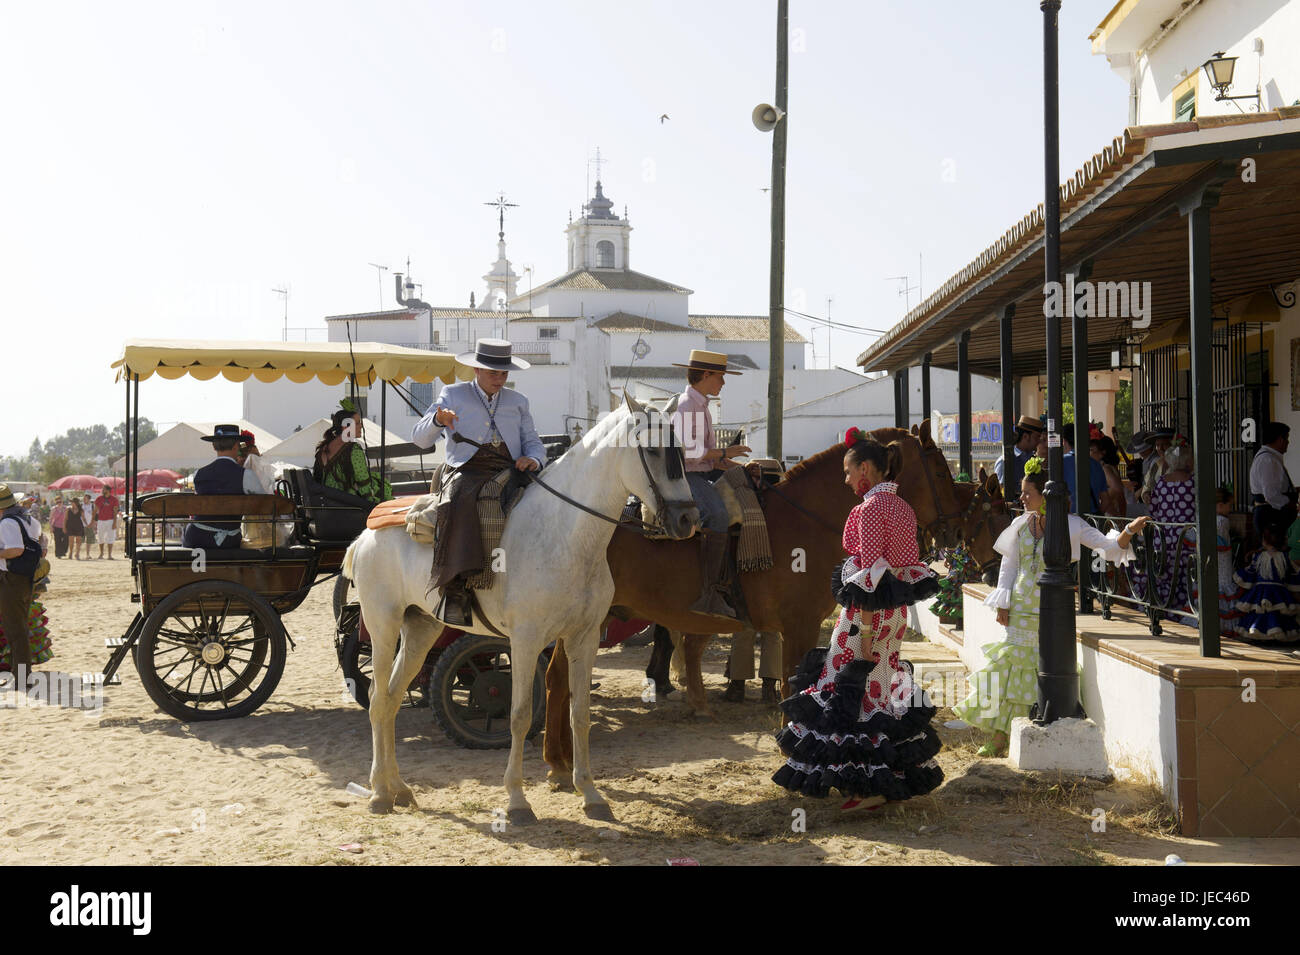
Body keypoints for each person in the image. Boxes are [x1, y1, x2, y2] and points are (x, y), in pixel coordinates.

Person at [772, 428, 942, 811]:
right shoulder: (904, 509)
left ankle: (862, 785)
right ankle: (884, 780)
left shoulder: (867, 511)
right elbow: (900, 569)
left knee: (849, 694)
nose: (846, 480)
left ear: (866, 468)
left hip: (865, 619)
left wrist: (863, 630)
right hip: (895, 616)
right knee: (881, 692)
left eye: (849, 472)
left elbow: (869, 575)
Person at [955, 457, 1146, 755]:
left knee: (1043, 667)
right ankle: (1001, 734)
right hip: (1019, 609)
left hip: (1051, 610)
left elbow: (1108, 549)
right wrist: (1003, 602)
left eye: (1026, 493)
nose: (1020, 498)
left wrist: (1130, 531)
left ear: (1044, 495)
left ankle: (1034, 723)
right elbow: (1009, 565)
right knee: (1011, 668)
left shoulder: (1072, 525)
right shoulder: (1020, 524)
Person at [412, 339, 546, 627]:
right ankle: (458, 586)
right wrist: (438, 419)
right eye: (493, 373)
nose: (499, 379)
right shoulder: (452, 394)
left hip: (510, 468)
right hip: (467, 470)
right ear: (476, 369)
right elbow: (420, 438)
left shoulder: (518, 401)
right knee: (459, 502)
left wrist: (533, 459)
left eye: (504, 374)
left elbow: (533, 442)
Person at [667, 349, 751, 620]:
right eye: (720, 377)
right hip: (685, 476)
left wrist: (744, 469)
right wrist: (726, 454)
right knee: (717, 514)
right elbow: (689, 453)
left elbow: (707, 457)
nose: (723, 383)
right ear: (706, 375)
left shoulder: (699, 405)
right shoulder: (687, 405)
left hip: (700, 472)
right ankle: (709, 594)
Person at [1129, 437, 1197, 621]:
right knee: (1184, 574)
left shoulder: (1162, 482)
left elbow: (1154, 509)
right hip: (1186, 536)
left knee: (1163, 572)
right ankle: (1182, 611)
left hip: (1164, 535)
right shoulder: (1193, 482)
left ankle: (1160, 606)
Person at [182, 424, 268, 551]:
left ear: (213, 446)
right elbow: (266, 504)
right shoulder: (246, 475)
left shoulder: (198, 474)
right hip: (227, 542)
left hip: (195, 538)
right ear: (236, 446)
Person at [0, 484, 45, 685]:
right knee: (19, 627)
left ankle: (22, 677)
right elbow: (42, 544)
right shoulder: (29, 519)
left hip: (12, 580)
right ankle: (20, 674)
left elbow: (16, 549)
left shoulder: (7, 523)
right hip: (25, 579)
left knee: (15, 629)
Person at [1232, 524, 1300, 644]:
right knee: (1277, 613)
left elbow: (1250, 572)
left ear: (1264, 540)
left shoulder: (1258, 557)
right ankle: (1276, 636)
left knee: (1260, 612)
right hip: (1279, 592)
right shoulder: (1285, 557)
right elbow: (1293, 574)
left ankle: (1259, 635)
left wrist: (1236, 574)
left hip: (1260, 592)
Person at [312, 403, 392, 504]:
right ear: (346, 427)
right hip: (346, 504)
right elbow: (363, 481)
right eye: (358, 423)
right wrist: (372, 504)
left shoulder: (324, 448)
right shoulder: (353, 449)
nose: (361, 426)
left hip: (328, 502)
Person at [1248, 421, 1295, 544]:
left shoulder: (1269, 458)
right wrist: (1289, 503)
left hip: (1271, 514)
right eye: (1287, 439)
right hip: (1271, 516)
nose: (1288, 443)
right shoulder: (1267, 460)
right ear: (1280, 439)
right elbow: (1271, 495)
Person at [993, 415, 1045, 500]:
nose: (1039, 441)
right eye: (1037, 437)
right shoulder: (1005, 461)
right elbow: (999, 492)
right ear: (1025, 436)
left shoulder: (1035, 458)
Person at [1090, 435, 1127, 517]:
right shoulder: (1109, 467)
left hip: (1110, 514)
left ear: (1102, 452)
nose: (1089, 453)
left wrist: (1106, 505)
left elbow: (1117, 489)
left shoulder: (1105, 468)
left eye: (1092, 450)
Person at [1139, 427, 1175, 505]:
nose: (1160, 448)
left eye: (1165, 444)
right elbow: (1146, 487)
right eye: (1157, 445)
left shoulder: (1180, 465)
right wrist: (1146, 495)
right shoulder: (1156, 465)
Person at [94, 484, 119, 559]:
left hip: (110, 520)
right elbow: (95, 510)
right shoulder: (99, 498)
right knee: (100, 537)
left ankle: (109, 555)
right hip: (101, 520)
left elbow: (115, 512)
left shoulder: (114, 499)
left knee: (110, 537)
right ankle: (101, 553)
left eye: (104, 489)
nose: (102, 490)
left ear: (108, 490)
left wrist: (114, 522)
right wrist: (93, 520)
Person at [64, 490, 85, 560]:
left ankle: (77, 553)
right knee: (71, 541)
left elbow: (83, 519)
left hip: (79, 526)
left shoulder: (81, 510)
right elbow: (65, 519)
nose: (71, 503)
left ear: (75, 503)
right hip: (70, 526)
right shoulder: (68, 509)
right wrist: (64, 527)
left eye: (72, 502)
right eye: (71, 502)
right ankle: (70, 553)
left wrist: (88, 525)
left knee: (78, 541)